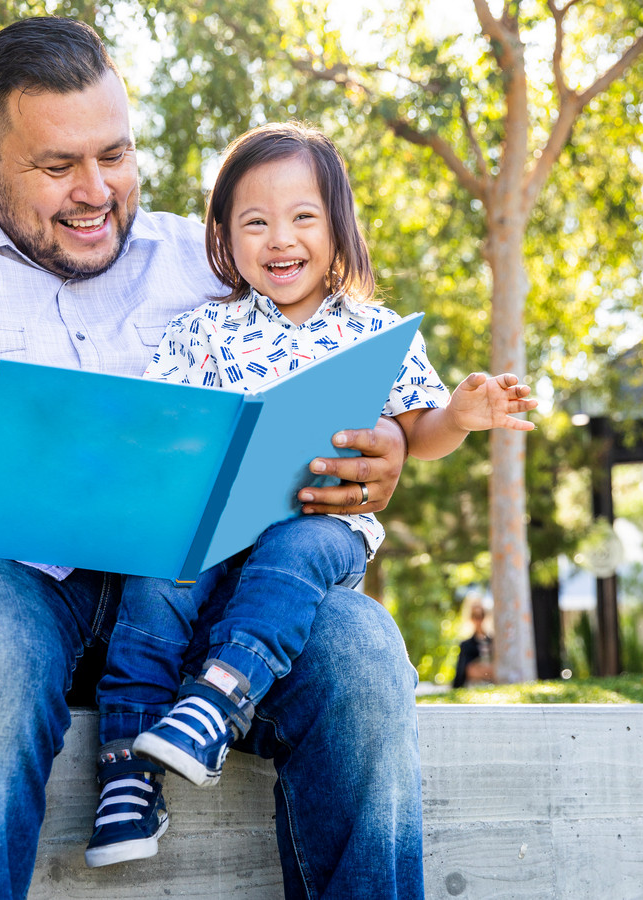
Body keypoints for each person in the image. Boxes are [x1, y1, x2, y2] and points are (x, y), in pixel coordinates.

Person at [0, 16, 425, 899]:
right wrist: (52, 486)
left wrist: (376, 450)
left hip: (188, 590)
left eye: (115, 155)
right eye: (57, 167)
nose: (96, 192)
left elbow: (332, 373)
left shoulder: (213, 260)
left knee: (360, 651)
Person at [86, 122, 537, 868]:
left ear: (337, 228)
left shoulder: (374, 331)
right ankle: (127, 771)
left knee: (297, 546)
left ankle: (219, 699)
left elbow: (414, 434)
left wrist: (459, 415)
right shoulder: (204, 330)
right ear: (225, 239)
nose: (279, 238)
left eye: (303, 217)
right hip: (215, 523)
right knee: (156, 575)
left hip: (320, 521)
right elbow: (159, 426)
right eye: (254, 222)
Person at [452, 600, 496, 688]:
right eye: (475, 616)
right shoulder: (466, 645)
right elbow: (465, 671)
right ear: (471, 618)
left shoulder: (494, 642)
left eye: (481, 615)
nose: (479, 620)